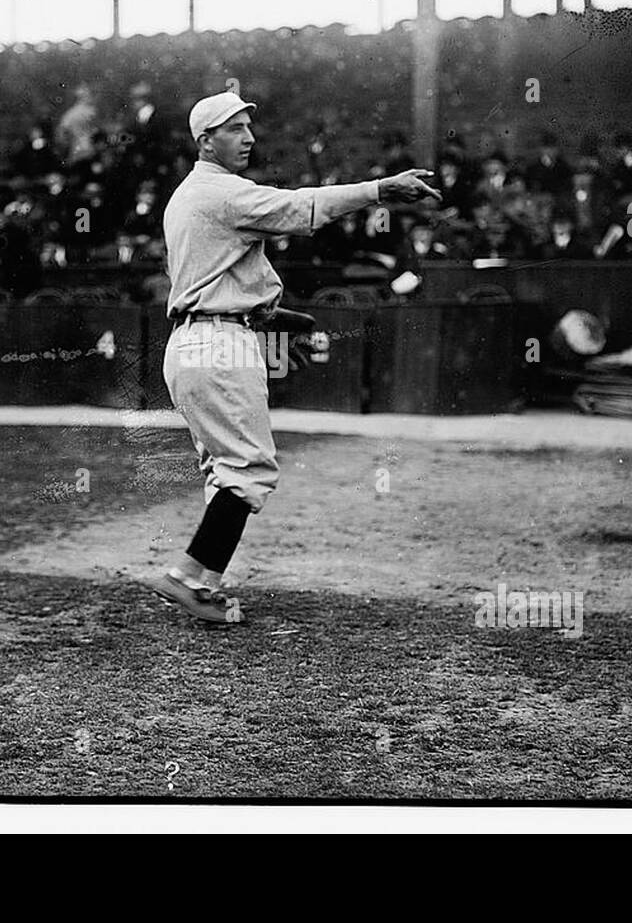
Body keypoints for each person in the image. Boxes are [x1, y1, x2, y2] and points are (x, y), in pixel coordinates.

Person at [147, 91, 439, 624]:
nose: (249, 138)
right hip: (218, 344)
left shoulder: (186, 196)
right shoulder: (222, 193)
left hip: (195, 341)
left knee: (225, 470)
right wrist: (379, 188)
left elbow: (216, 279)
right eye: (233, 129)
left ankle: (201, 582)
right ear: (205, 140)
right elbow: (303, 208)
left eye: (248, 128)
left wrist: (275, 316)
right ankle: (189, 578)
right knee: (248, 470)